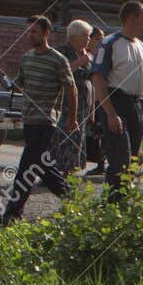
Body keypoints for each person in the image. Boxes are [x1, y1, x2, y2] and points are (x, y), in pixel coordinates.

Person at [0, 16, 77, 225]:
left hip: (45, 121)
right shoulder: (27, 58)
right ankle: (76, 200)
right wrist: (7, 84)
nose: (29, 35)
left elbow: (71, 89)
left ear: (45, 33)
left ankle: (12, 214)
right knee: (42, 166)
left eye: (34, 31)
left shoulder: (58, 59)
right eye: (28, 31)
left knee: (26, 168)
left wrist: (72, 119)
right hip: (29, 120)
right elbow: (20, 85)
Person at [90, 0, 143, 196]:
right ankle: (112, 206)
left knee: (133, 161)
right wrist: (110, 114)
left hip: (135, 106)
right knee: (120, 160)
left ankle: (119, 204)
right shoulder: (109, 44)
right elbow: (98, 80)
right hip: (115, 104)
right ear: (131, 18)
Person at [56, 19, 94, 178]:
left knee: (78, 136)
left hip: (83, 105)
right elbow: (62, 71)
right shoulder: (63, 52)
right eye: (85, 36)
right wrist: (82, 61)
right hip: (67, 103)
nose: (89, 39)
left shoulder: (84, 53)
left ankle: (72, 169)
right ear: (73, 36)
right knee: (65, 134)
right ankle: (58, 169)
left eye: (89, 36)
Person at [83, 25, 108, 178]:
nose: (100, 42)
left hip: (100, 99)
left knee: (100, 132)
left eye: (102, 38)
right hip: (89, 99)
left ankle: (101, 164)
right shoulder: (87, 56)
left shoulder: (102, 57)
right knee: (94, 132)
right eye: (97, 38)